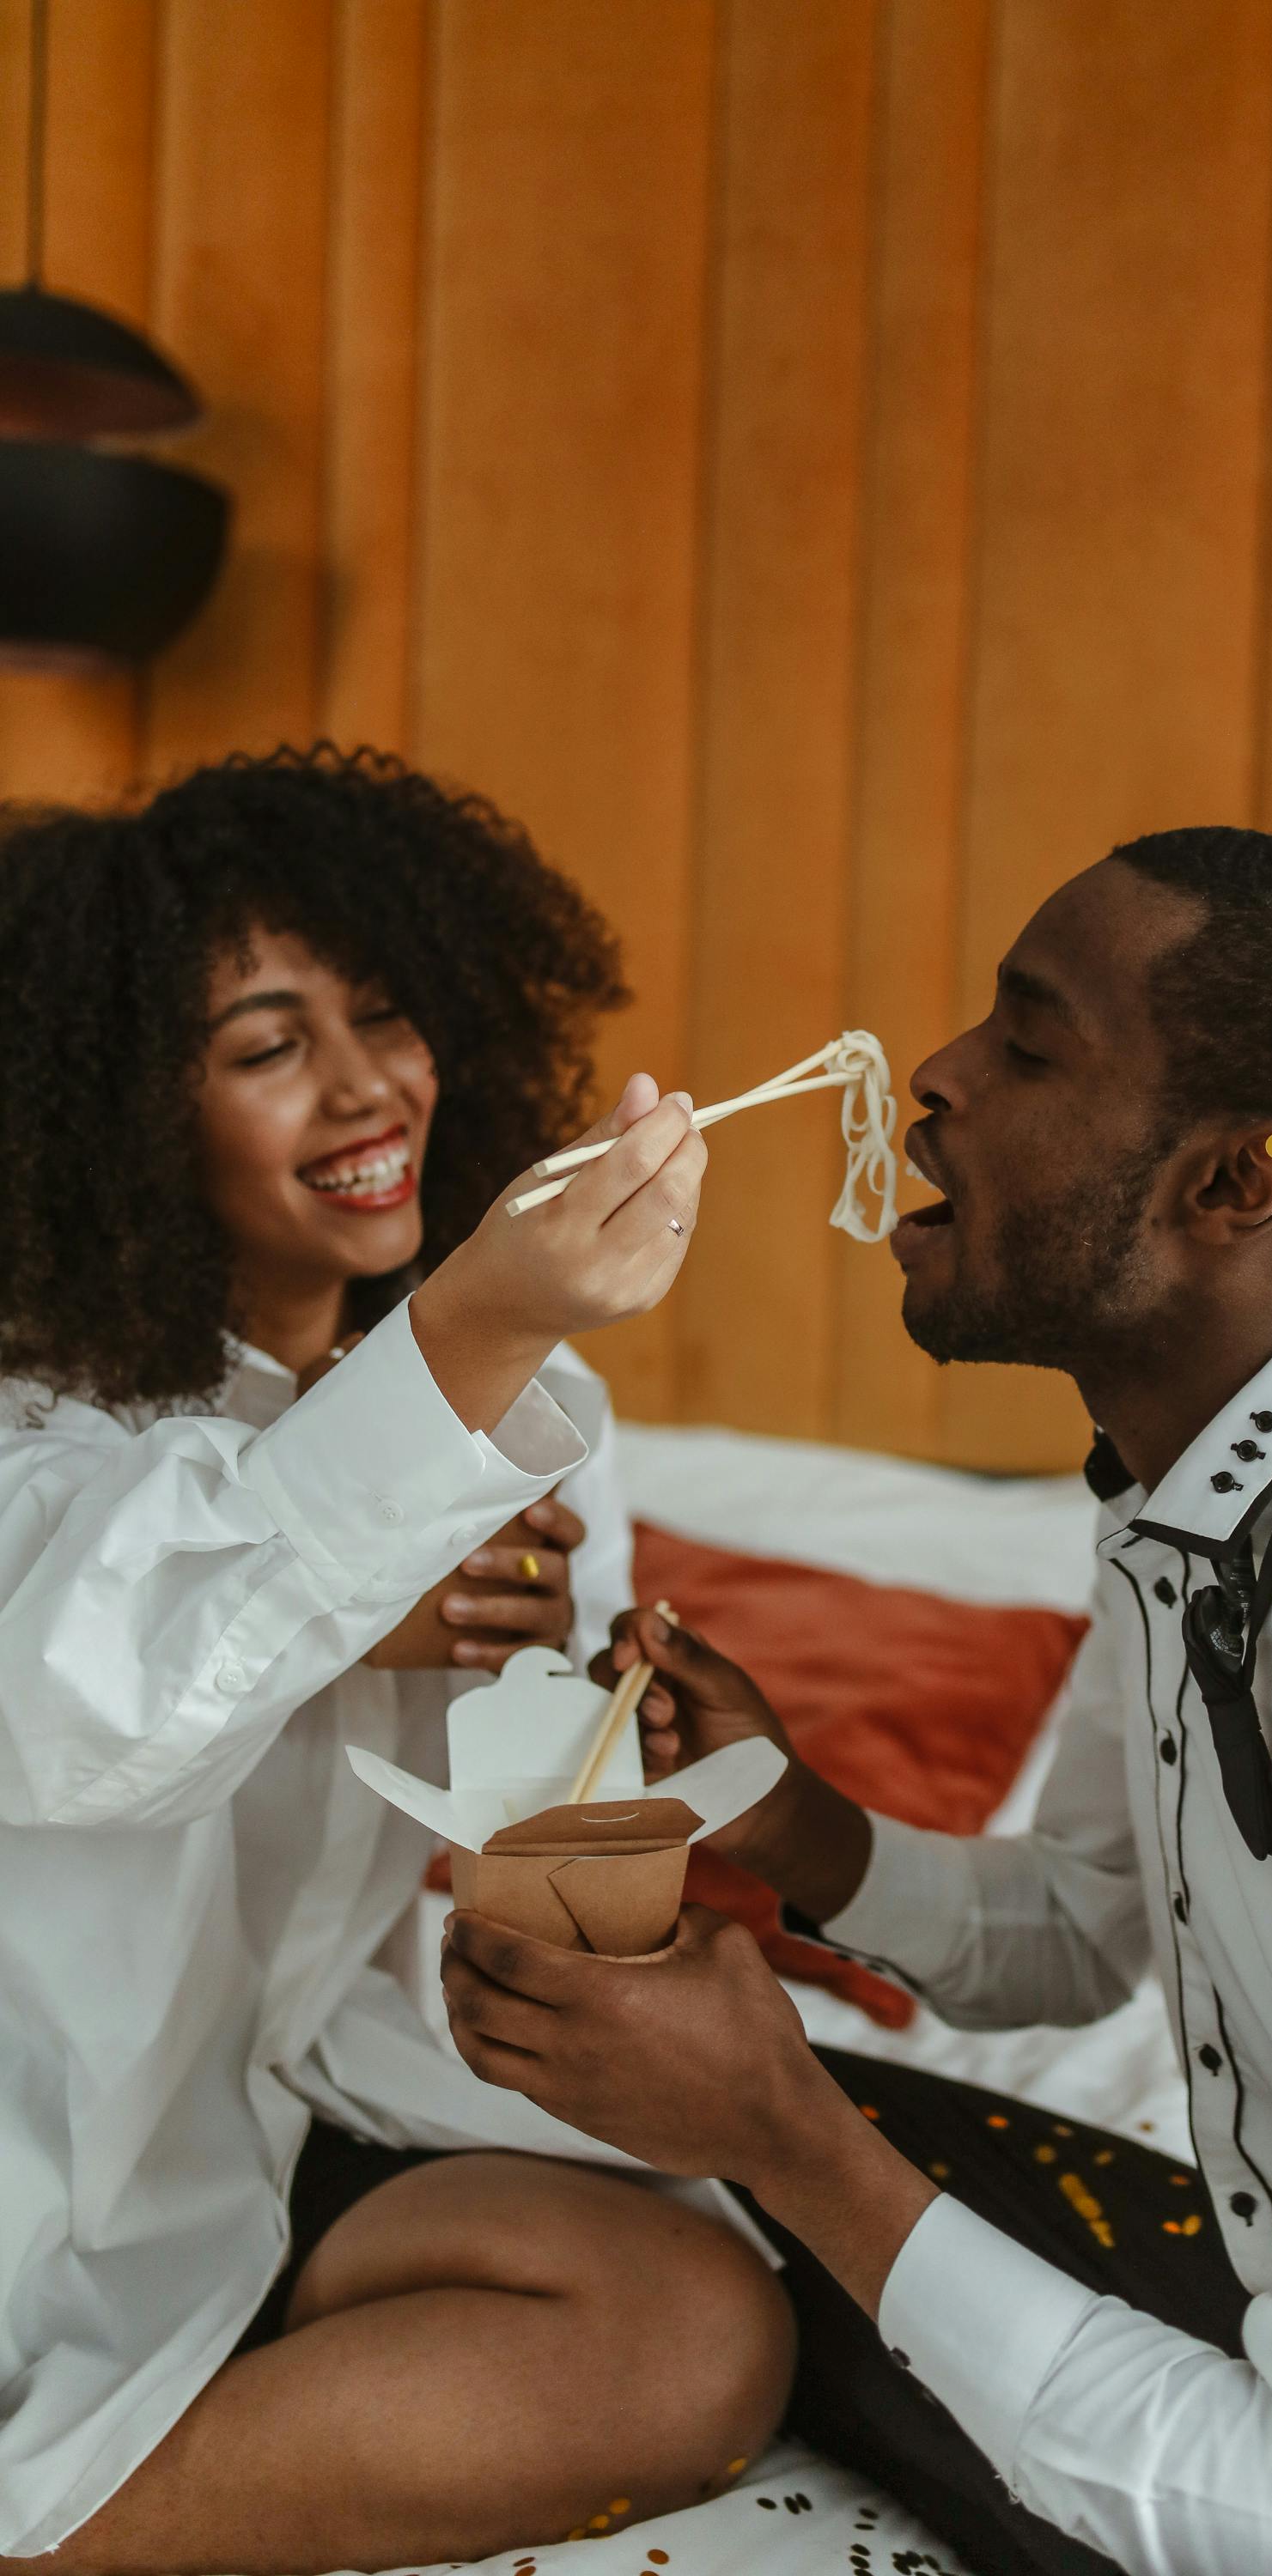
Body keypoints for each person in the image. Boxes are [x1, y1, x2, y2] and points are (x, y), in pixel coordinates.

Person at [441, 824, 1272, 2576]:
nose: (935, 1076)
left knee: (781, 2170)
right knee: (675, 2176)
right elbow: (1087, 1933)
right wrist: (785, 1814)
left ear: (1237, 1182)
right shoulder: (1190, 1492)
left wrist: (787, 2133)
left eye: (1028, 1045)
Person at [0, 749, 792, 2576]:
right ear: (115, 1108)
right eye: (267, 1047)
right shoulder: (37, 1425)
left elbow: (527, 1880)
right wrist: (359, 1588)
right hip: (47, 2134)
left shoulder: (541, 1403)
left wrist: (584, 1730)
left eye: (384, 1013)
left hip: (281, 2089)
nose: (368, 1088)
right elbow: (84, 1718)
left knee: (699, 2325)